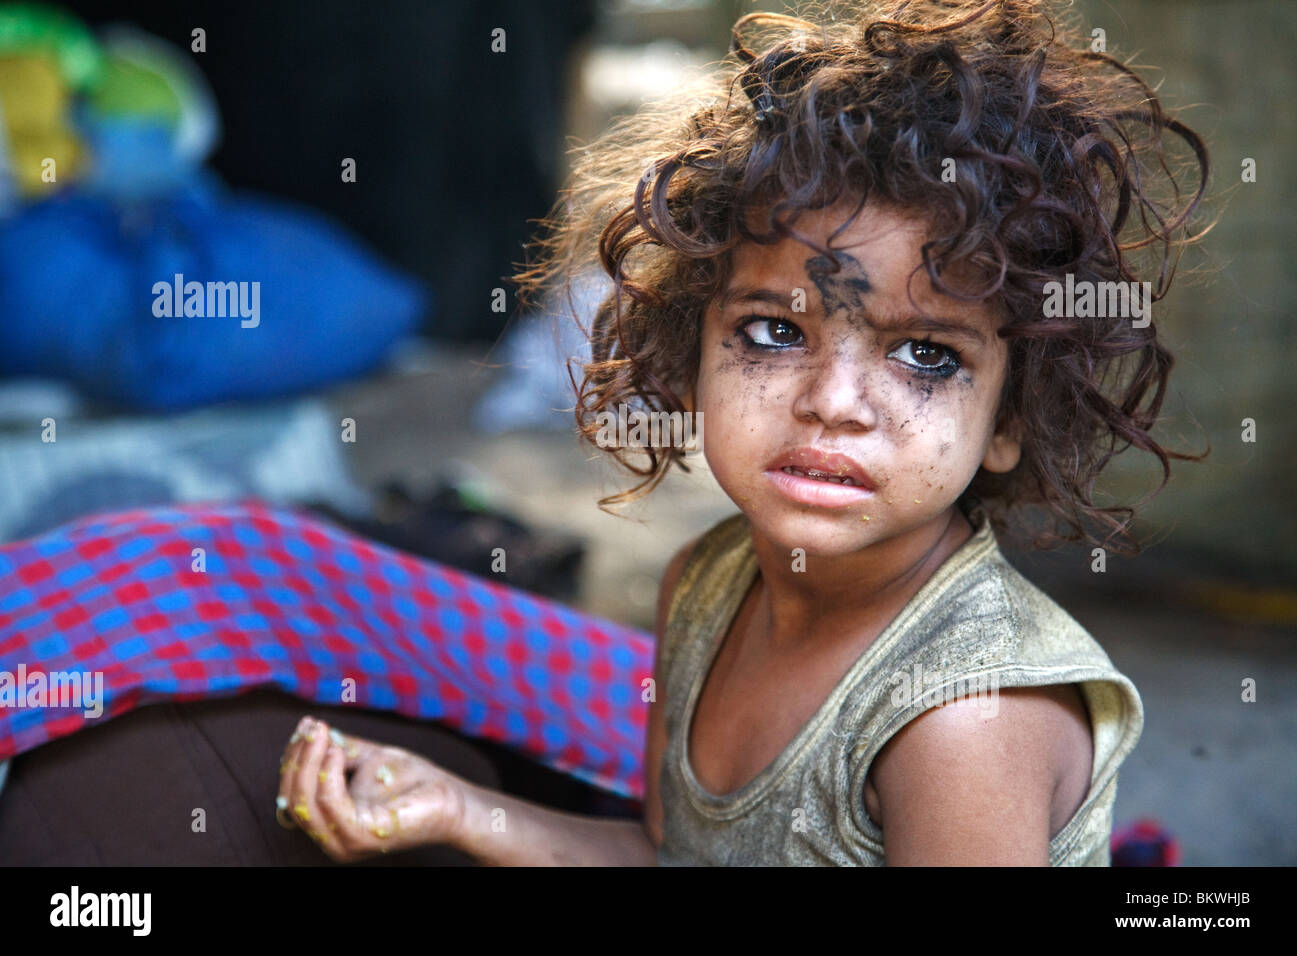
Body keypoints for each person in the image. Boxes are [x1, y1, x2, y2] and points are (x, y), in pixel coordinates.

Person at [275, 0, 1213, 865]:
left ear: (1006, 419)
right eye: (773, 332)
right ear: (690, 358)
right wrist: (457, 810)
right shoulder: (708, 584)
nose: (834, 401)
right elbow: (668, 855)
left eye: (927, 355)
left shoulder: (963, 719)